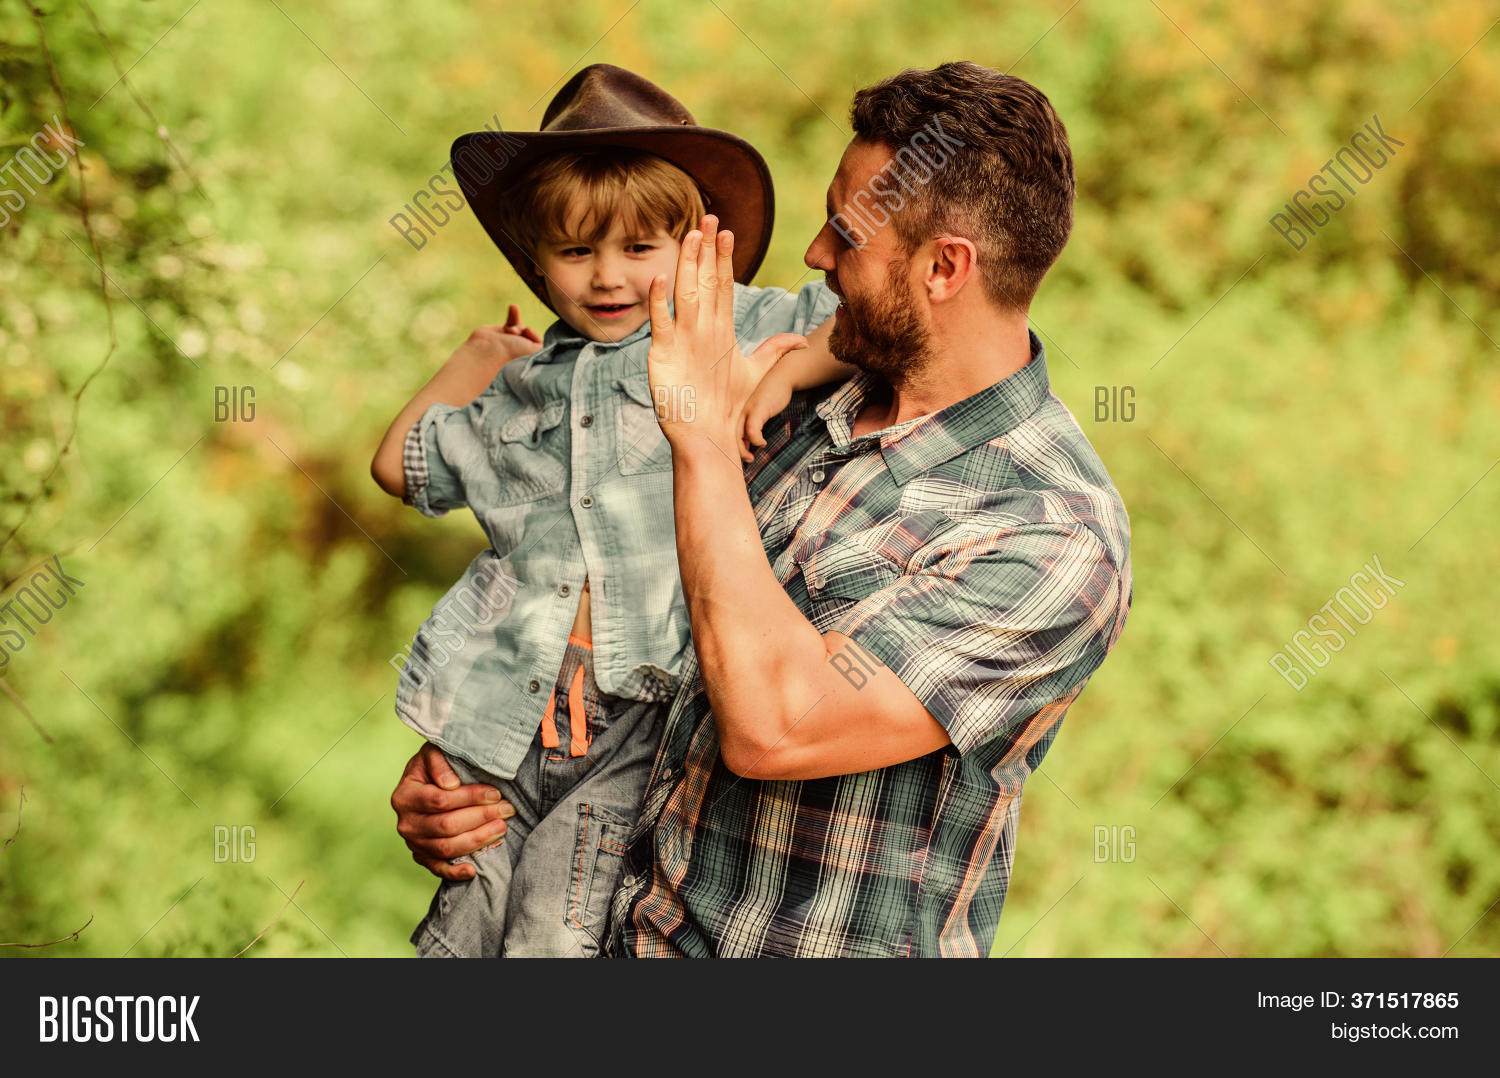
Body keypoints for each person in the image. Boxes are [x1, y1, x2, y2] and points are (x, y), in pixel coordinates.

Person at [394, 61, 1133, 957]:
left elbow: (777, 726)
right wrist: (480, 772)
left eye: (845, 233)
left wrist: (700, 437)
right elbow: (598, 576)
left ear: (945, 267)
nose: (815, 255)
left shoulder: (1048, 529)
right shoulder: (790, 396)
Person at [370, 64, 845, 957]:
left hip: (642, 705)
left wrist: (783, 370)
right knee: (459, 929)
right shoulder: (523, 390)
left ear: (701, 245)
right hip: (507, 700)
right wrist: (477, 356)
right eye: (577, 252)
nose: (607, 277)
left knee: (557, 925)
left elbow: (863, 317)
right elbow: (399, 465)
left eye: (640, 248)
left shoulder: (736, 327)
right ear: (536, 261)